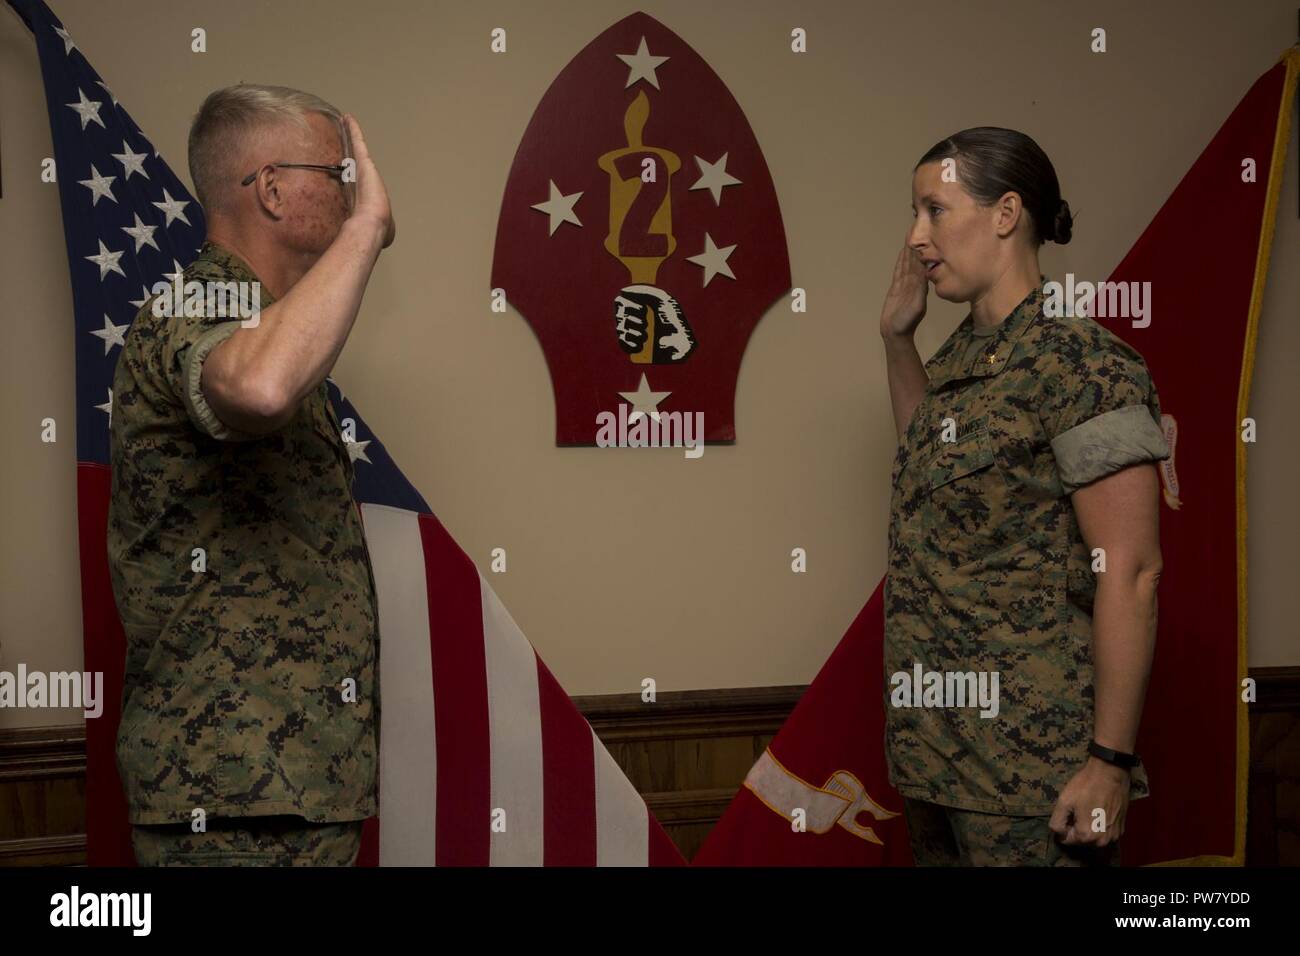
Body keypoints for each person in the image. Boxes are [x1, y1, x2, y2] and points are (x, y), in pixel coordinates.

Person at [107, 84, 396, 866]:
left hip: (290, 788)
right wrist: (364, 229)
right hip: (228, 796)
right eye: (336, 172)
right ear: (270, 188)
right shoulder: (200, 308)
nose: (354, 187)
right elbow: (260, 389)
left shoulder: (267, 319)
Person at [878, 127, 1169, 866]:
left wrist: (1109, 761)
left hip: (1033, 771)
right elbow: (930, 463)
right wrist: (898, 342)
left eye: (934, 210)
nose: (916, 236)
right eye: (914, 214)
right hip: (937, 753)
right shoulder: (958, 358)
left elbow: (1132, 572)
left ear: (1006, 214)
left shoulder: (1084, 364)